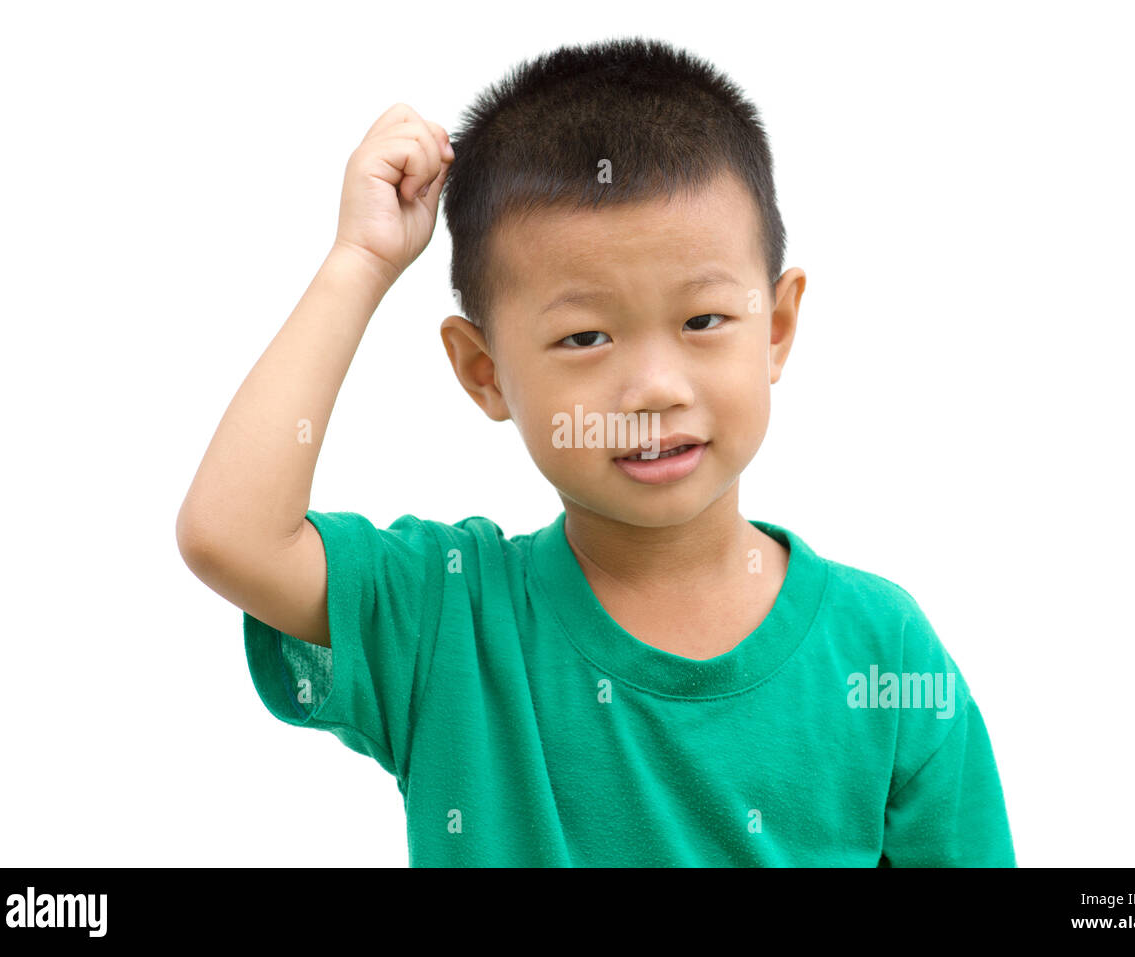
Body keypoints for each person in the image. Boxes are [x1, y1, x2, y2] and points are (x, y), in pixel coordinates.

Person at [176, 36, 1016, 867]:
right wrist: (358, 261)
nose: (654, 387)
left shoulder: (883, 653)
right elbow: (230, 535)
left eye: (703, 320)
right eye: (585, 337)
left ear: (778, 327)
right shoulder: (447, 618)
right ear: (483, 372)